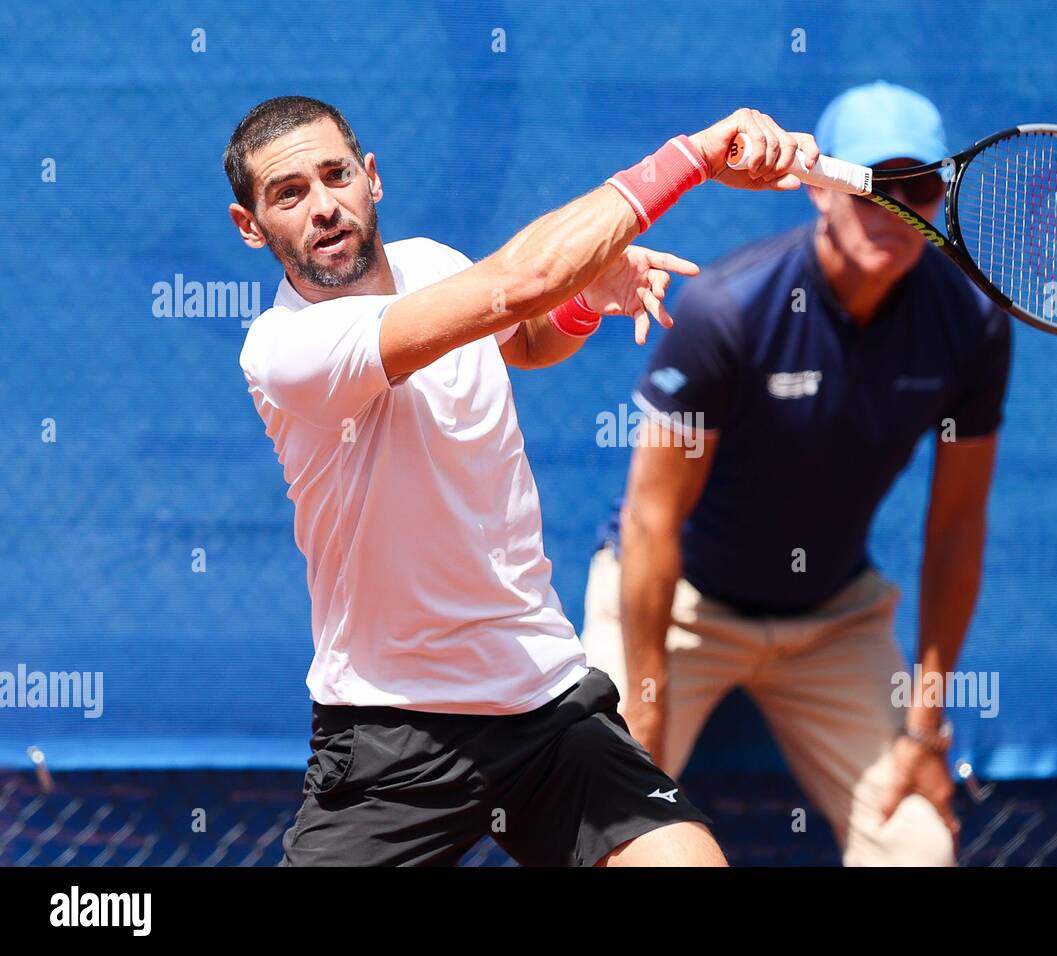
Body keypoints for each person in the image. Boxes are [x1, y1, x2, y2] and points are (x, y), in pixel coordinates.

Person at [225, 95, 819, 866]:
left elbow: (526, 335)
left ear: (372, 179)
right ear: (252, 226)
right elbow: (521, 282)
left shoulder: (434, 263)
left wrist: (581, 305)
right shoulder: (285, 349)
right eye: (289, 194)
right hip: (388, 735)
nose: (324, 207)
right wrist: (697, 156)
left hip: (544, 703)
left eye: (336, 176)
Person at [580, 82, 1012, 866]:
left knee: (919, 849)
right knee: (604, 837)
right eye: (874, 186)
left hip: (833, 621)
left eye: (918, 188)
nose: (894, 208)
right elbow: (650, 522)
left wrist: (926, 728)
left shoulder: (972, 325)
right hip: (675, 606)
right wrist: (645, 709)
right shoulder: (728, 311)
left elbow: (955, 529)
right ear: (821, 190)